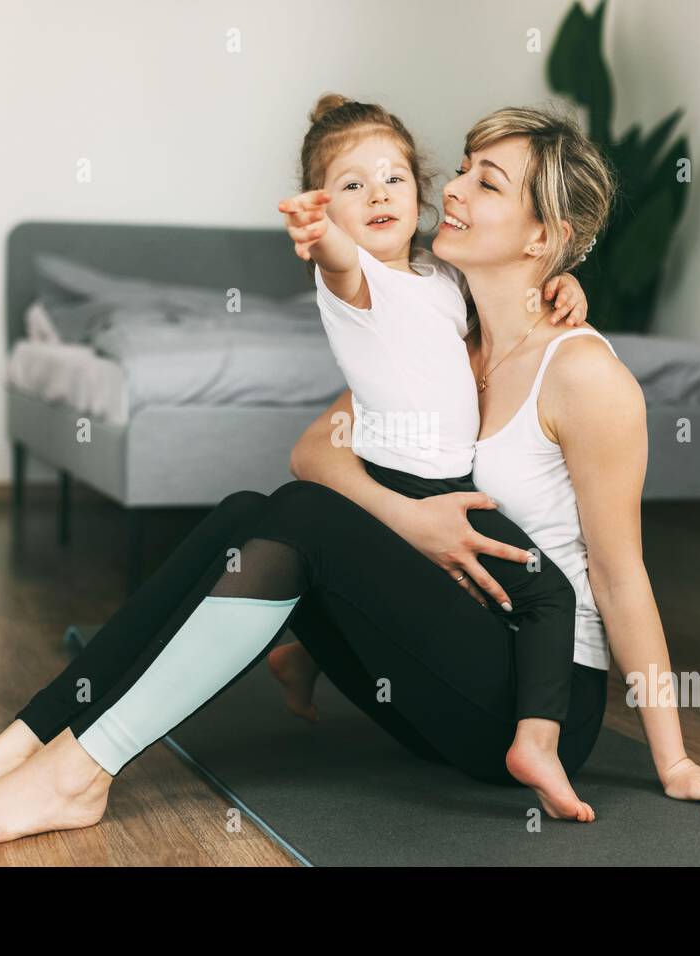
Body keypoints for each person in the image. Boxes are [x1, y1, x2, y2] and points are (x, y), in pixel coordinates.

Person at [0, 105, 700, 848]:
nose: (453, 191)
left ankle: (82, 773)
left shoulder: (586, 375)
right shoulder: (446, 338)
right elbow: (313, 449)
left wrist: (675, 761)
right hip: (437, 653)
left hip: (529, 695)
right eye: (464, 169)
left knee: (298, 522)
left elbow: (620, 576)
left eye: (486, 180)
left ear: (544, 236)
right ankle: (13, 748)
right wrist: (411, 520)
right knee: (250, 512)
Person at [277, 93, 597, 819]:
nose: (377, 194)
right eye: (351, 186)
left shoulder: (439, 275)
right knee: (549, 593)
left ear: (419, 192)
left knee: (455, 597)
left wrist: (565, 281)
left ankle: (302, 654)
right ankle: (537, 743)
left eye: (393, 178)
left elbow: (513, 294)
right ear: (332, 206)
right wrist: (319, 231)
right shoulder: (361, 283)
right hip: (401, 478)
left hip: (446, 480)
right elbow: (336, 262)